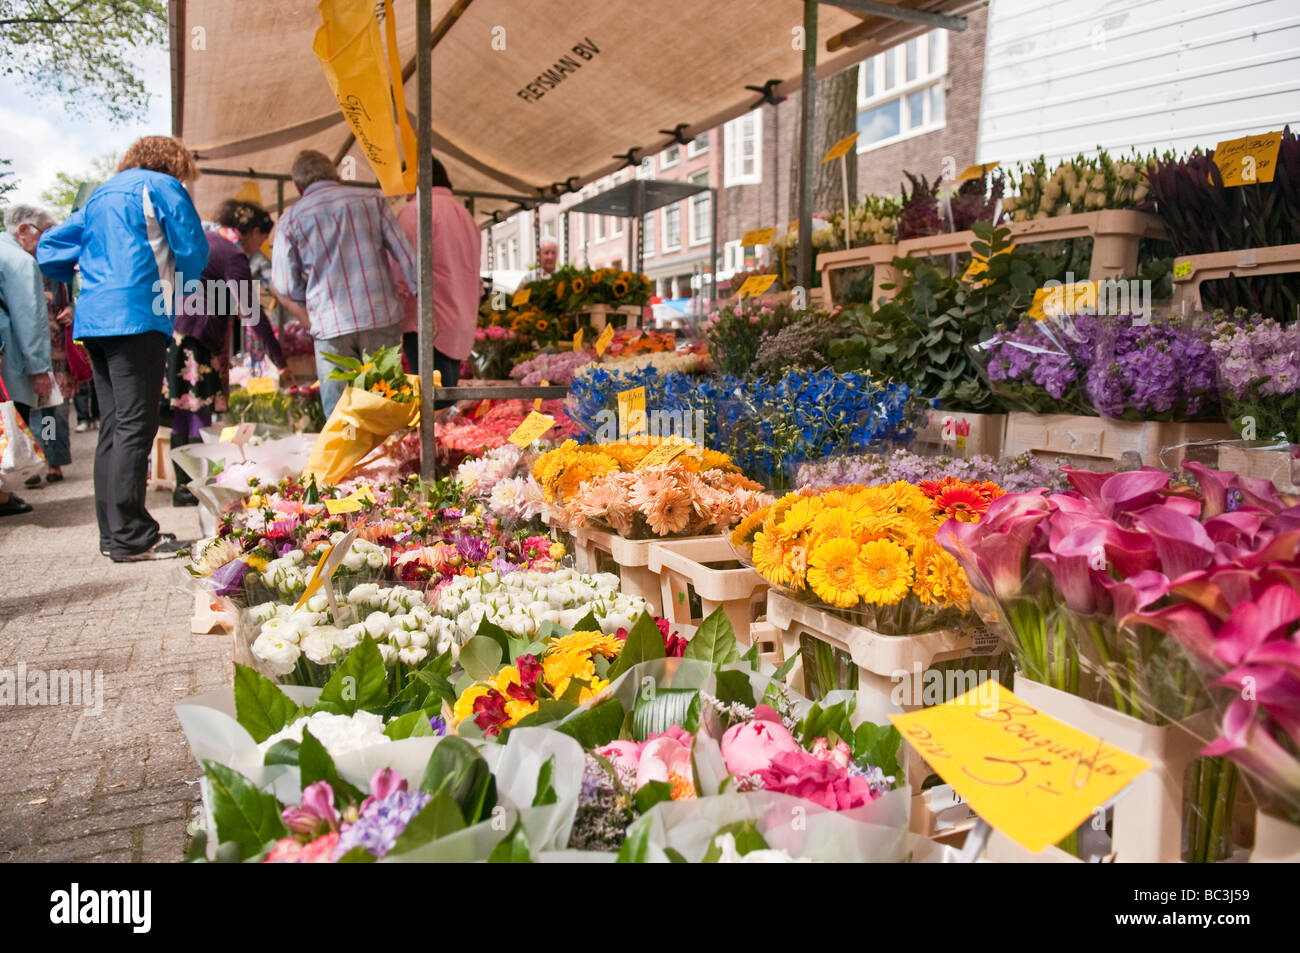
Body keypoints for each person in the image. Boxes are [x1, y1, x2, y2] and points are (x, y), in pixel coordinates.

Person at [37, 135, 210, 561]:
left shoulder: (98, 196)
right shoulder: (162, 186)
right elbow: (193, 250)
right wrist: (178, 289)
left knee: (114, 426)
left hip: (94, 318)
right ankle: (134, 536)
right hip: (137, 313)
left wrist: (83, 274)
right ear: (174, 163)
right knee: (135, 424)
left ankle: (115, 536)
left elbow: (48, 248)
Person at [167, 199, 294, 507]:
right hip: (199, 339)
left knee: (183, 412)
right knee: (199, 410)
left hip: (177, 332)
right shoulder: (230, 253)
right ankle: (195, 486)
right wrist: (278, 361)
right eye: (260, 240)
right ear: (250, 231)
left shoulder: (203, 240)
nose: (258, 248)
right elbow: (251, 311)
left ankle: (183, 486)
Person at [271, 150, 417, 418]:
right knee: (385, 402)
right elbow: (407, 256)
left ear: (297, 186)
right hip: (380, 316)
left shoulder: (290, 220)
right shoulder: (372, 200)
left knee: (341, 412)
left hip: (330, 324)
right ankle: (388, 455)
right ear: (336, 175)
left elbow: (285, 285)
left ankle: (349, 457)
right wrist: (421, 298)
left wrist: (310, 297)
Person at [394, 158, 481, 392]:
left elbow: (399, 270)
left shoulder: (414, 212)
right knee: (446, 396)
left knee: (431, 402)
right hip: (460, 324)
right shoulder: (464, 214)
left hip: (427, 324)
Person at [0, 204, 55, 430]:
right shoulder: (20, 262)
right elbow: (29, 319)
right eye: (45, 233)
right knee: (10, 442)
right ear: (23, 229)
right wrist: (40, 369)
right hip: (11, 368)